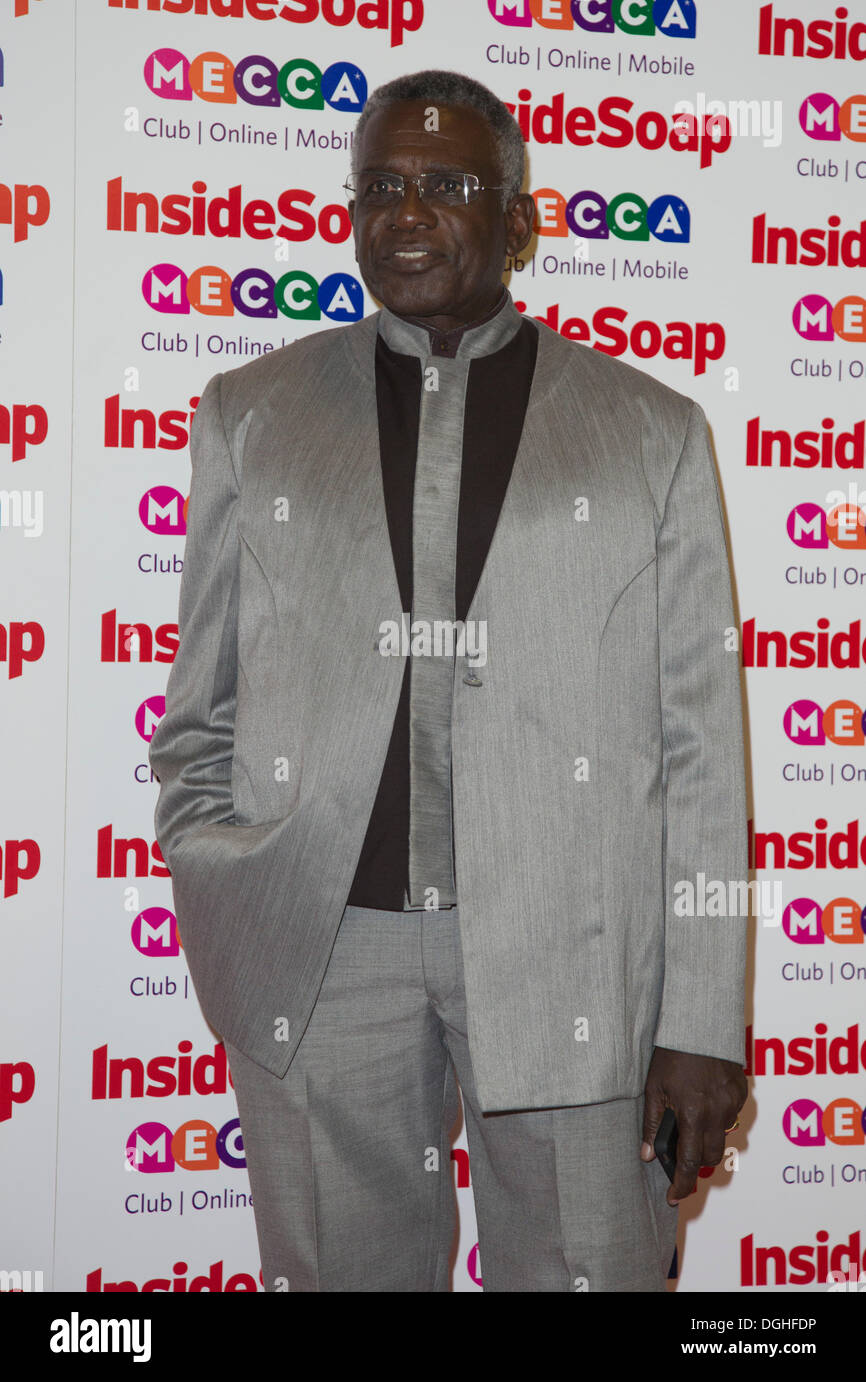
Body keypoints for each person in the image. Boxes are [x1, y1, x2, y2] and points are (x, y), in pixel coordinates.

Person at [149, 68, 748, 1293]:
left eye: (446, 186)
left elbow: (699, 746)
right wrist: (231, 897)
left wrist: (699, 1018)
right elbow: (197, 714)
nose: (405, 215)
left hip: (572, 954)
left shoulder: (649, 433)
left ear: (520, 221)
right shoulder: (251, 416)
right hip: (318, 960)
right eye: (379, 189)